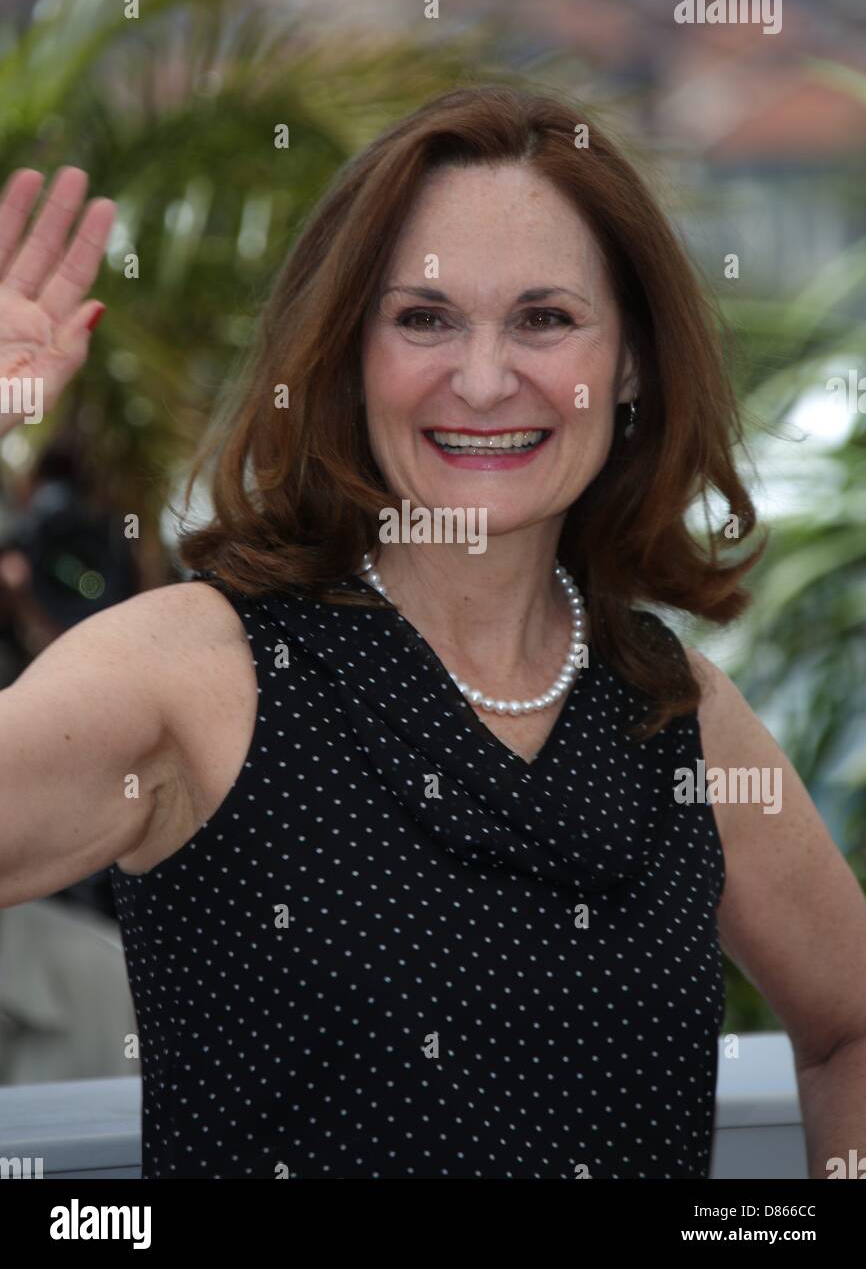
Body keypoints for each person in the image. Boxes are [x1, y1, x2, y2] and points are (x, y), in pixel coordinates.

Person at [1, 84, 865, 1180]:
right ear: (349, 353)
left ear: (631, 362)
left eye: (544, 318)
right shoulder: (191, 674)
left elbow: (849, 1026)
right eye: (423, 318)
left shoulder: (682, 722)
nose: (484, 377)